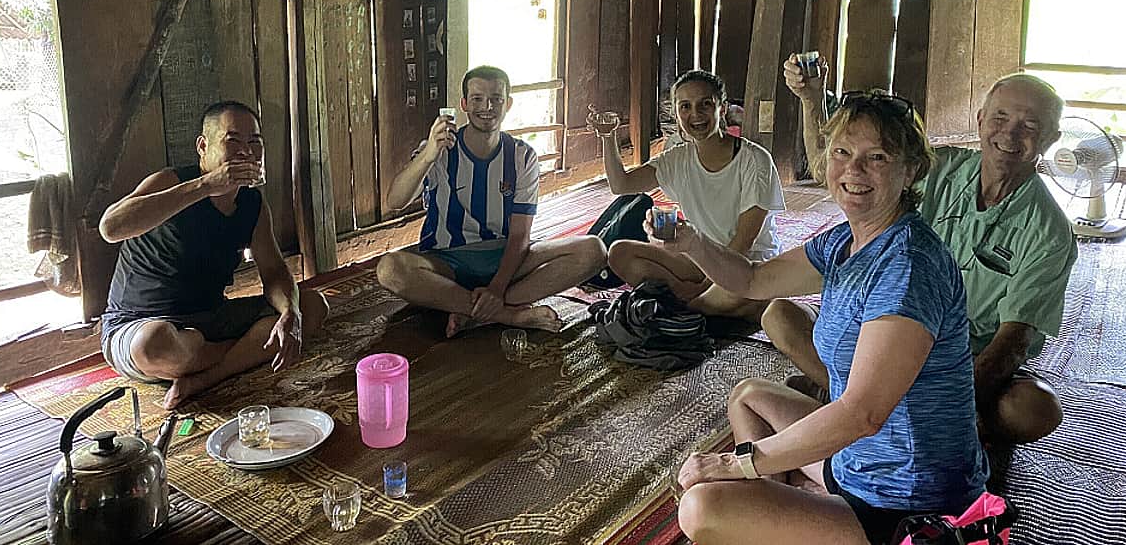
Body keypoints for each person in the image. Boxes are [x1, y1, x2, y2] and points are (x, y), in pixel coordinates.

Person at [664, 90, 987, 545]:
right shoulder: (844, 241)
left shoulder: (908, 265)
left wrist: (735, 463)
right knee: (749, 396)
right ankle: (788, 511)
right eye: (842, 152)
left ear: (909, 170)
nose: (853, 170)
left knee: (701, 508)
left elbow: (862, 414)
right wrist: (693, 244)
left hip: (906, 498)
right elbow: (754, 280)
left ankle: (793, 511)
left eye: (876, 157)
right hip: (857, 460)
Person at [770, 58, 1074, 446]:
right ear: (980, 120)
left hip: (963, 361)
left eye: (1029, 125)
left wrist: (952, 400)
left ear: (1051, 138)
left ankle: (859, 407)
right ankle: (859, 408)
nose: (1010, 133)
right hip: (885, 336)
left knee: (1033, 409)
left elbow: (1011, 343)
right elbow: (842, 166)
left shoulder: (1049, 231)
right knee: (781, 316)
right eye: (1000, 117)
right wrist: (812, 99)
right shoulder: (940, 168)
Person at [98, 101, 330, 409]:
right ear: (203, 146)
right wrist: (206, 186)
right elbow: (110, 227)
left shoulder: (252, 204)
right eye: (232, 140)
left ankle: (203, 376)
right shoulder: (173, 182)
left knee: (311, 306)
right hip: (140, 323)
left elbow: (273, 271)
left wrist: (289, 312)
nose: (246, 152)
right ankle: (231, 355)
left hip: (208, 318)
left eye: (254, 143)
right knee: (156, 345)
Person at [376, 65, 606, 337]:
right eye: (477, 99)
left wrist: (497, 288)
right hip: (447, 261)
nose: (487, 107)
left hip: (505, 259)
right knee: (389, 269)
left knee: (593, 250)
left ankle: (470, 308)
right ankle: (508, 314)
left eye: (496, 99)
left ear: (507, 104)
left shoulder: (522, 157)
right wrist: (427, 155)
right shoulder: (440, 149)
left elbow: (520, 234)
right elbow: (395, 201)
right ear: (464, 104)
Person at [587, 70, 785, 324]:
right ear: (677, 114)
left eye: (705, 104)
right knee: (619, 253)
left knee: (739, 292)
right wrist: (608, 136)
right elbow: (621, 184)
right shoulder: (678, 158)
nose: (696, 114)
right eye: (686, 106)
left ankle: (686, 306)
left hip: (747, 265)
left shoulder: (755, 160)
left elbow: (744, 240)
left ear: (722, 109)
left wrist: (704, 285)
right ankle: (693, 304)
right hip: (699, 257)